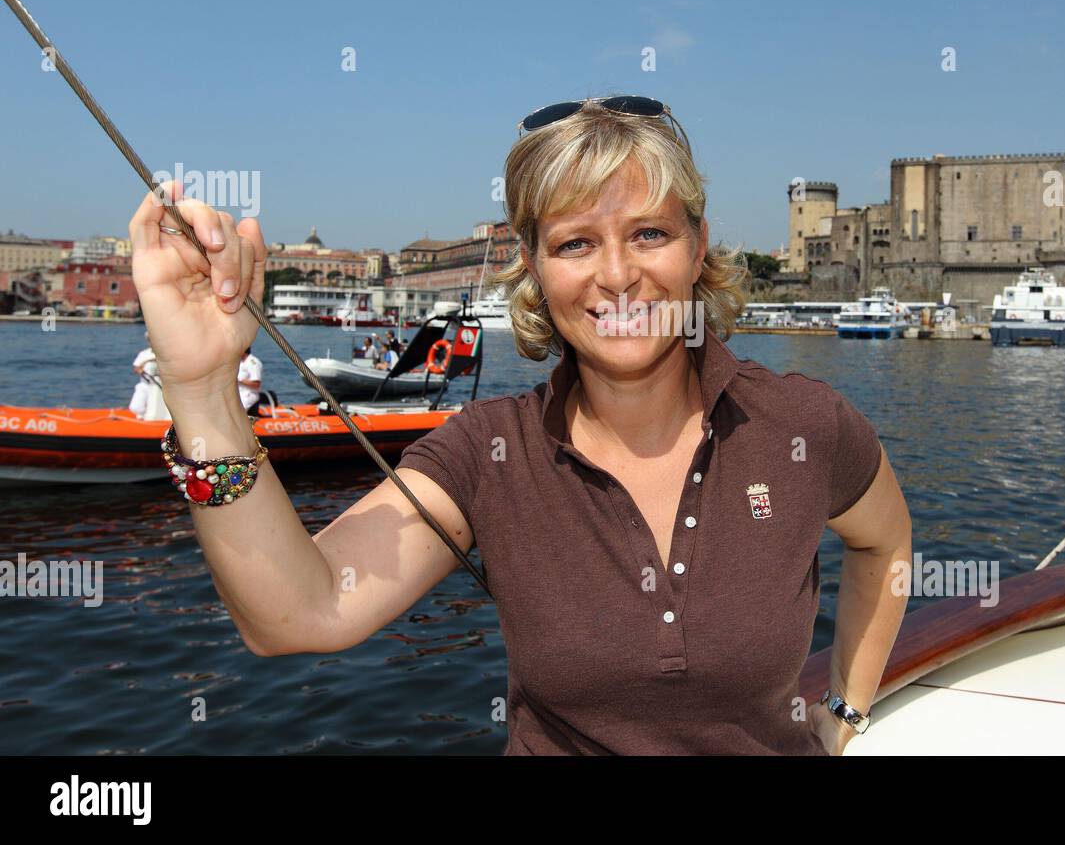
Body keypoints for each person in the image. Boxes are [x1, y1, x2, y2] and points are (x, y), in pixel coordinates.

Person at [127, 98, 912, 756]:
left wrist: (843, 711)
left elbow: (886, 542)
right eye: (576, 243)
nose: (616, 274)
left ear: (699, 246)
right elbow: (298, 612)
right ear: (534, 267)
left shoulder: (801, 423)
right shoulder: (488, 454)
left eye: (650, 233)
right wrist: (201, 391)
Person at [128, 332, 156, 419]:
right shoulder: (143, 354)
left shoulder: (165, 354)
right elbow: (136, 368)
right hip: (145, 384)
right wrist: (140, 369)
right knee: (135, 407)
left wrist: (150, 360)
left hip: (159, 386)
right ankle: (143, 418)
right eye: (149, 340)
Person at [236, 347, 263, 416]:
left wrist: (239, 380)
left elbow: (256, 384)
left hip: (249, 395)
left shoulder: (253, 363)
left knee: (236, 413)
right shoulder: (239, 362)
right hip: (238, 394)